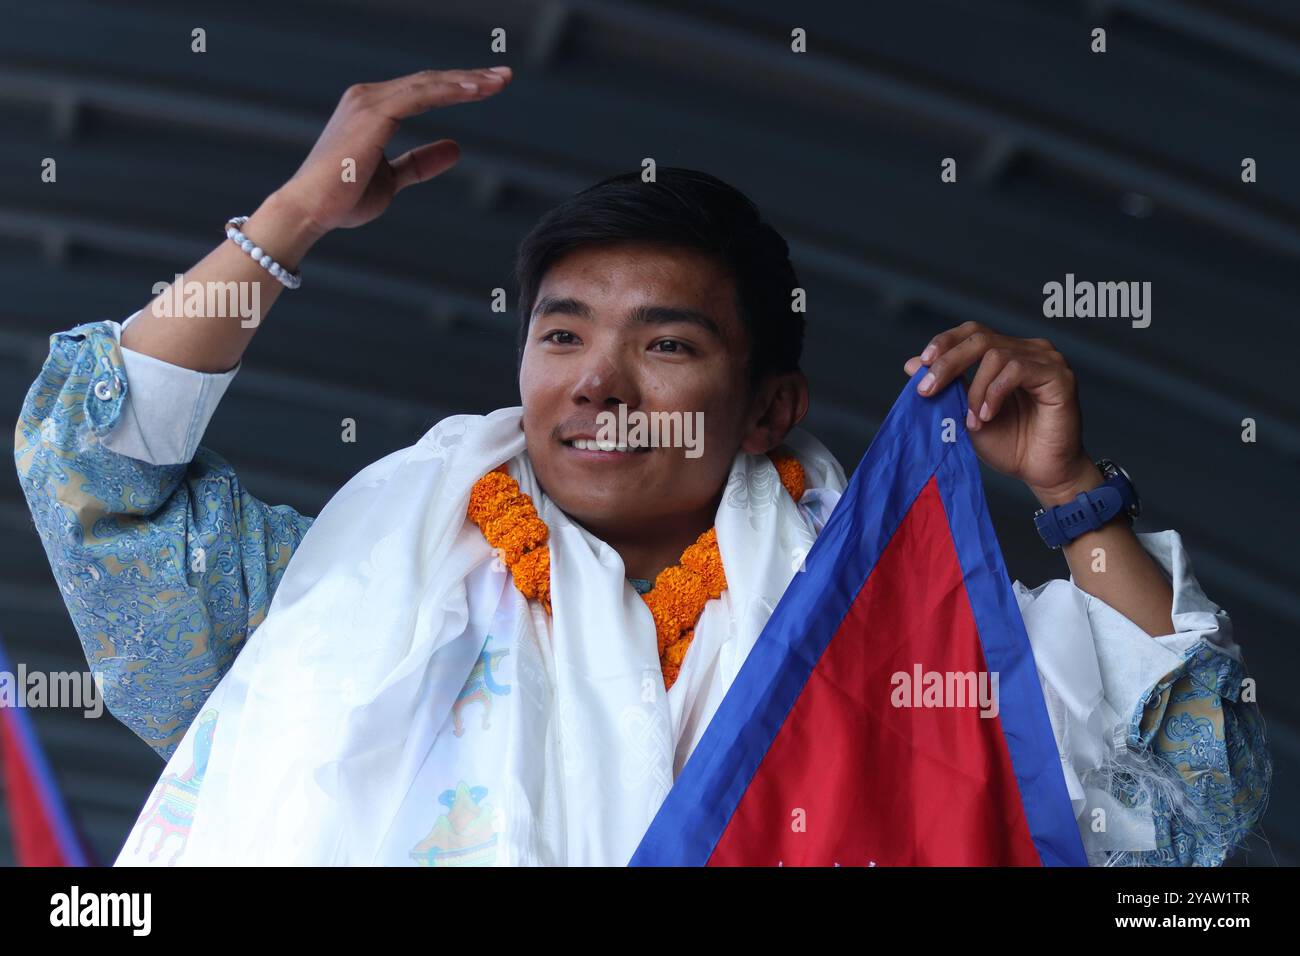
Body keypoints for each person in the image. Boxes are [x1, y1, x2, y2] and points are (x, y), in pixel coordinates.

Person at [14, 66, 1269, 866]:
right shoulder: (330, 598)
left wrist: (1069, 489)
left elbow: (1193, 798)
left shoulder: (908, 638)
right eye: (561, 333)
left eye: (666, 343)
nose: (597, 381)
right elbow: (90, 472)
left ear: (770, 405)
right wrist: (290, 220)